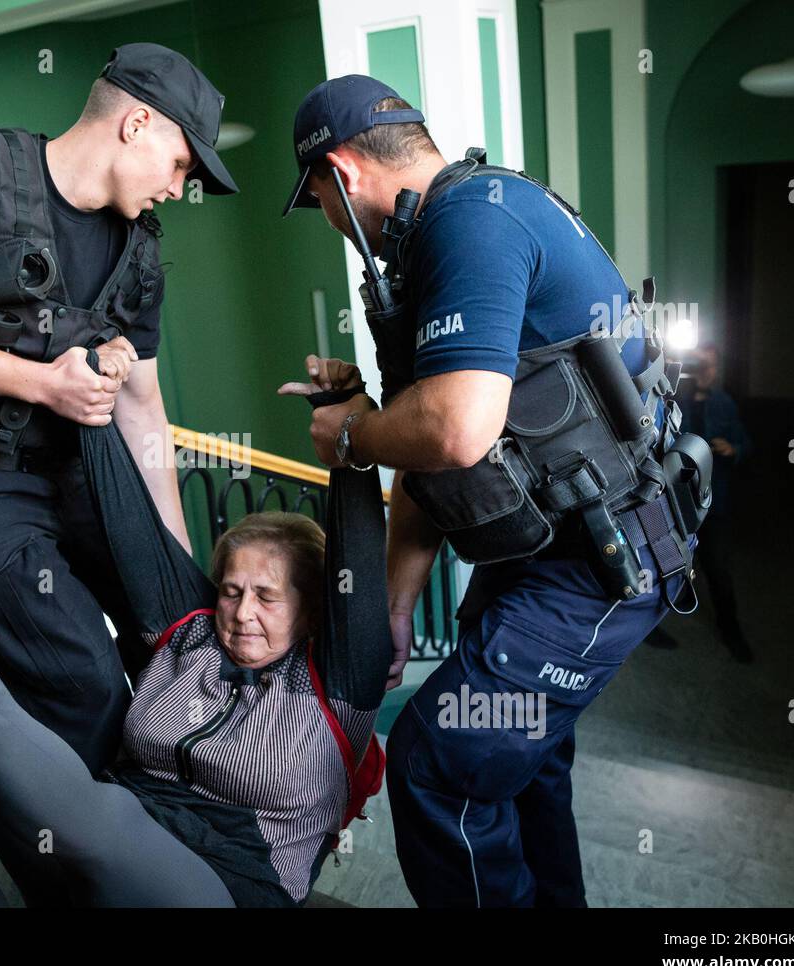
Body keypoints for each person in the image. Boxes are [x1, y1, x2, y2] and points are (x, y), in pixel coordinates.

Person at [281, 76, 703, 907]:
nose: (330, 221)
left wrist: (352, 435)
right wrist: (398, 608)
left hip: (602, 562)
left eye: (318, 202)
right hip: (543, 548)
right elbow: (433, 453)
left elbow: (455, 429)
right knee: (525, 766)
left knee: (440, 764)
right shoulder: (434, 238)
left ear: (342, 172)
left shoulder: (472, 219)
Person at [0, 43, 238, 776]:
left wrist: (174, 558)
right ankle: (92, 856)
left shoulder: (140, 249)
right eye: (182, 164)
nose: (178, 186)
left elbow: (143, 409)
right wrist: (38, 382)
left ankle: (183, 828)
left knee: (174, 633)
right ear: (137, 123)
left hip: (77, 472)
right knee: (87, 682)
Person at [0, 389, 392, 907]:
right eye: (232, 592)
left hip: (236, 875)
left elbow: (364, 571)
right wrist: (93, 401)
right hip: (130, 824)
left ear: (310, 612)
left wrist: (349, 424)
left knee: (102, 824)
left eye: (266, 598)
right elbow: (132, 525)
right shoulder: (191, 634)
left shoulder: (337, 686)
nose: (241, 614)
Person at [645, 343, 752, 661]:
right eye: (699, 364)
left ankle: (730, 629)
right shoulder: (675, 398)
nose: (705, 371)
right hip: (674, 500)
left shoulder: (724, 404)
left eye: (711, 365)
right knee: (661, 562)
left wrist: (732, 449)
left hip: (712, 502)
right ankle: (647, 624)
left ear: (717, 369)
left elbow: (746, 443)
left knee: (718, 568)